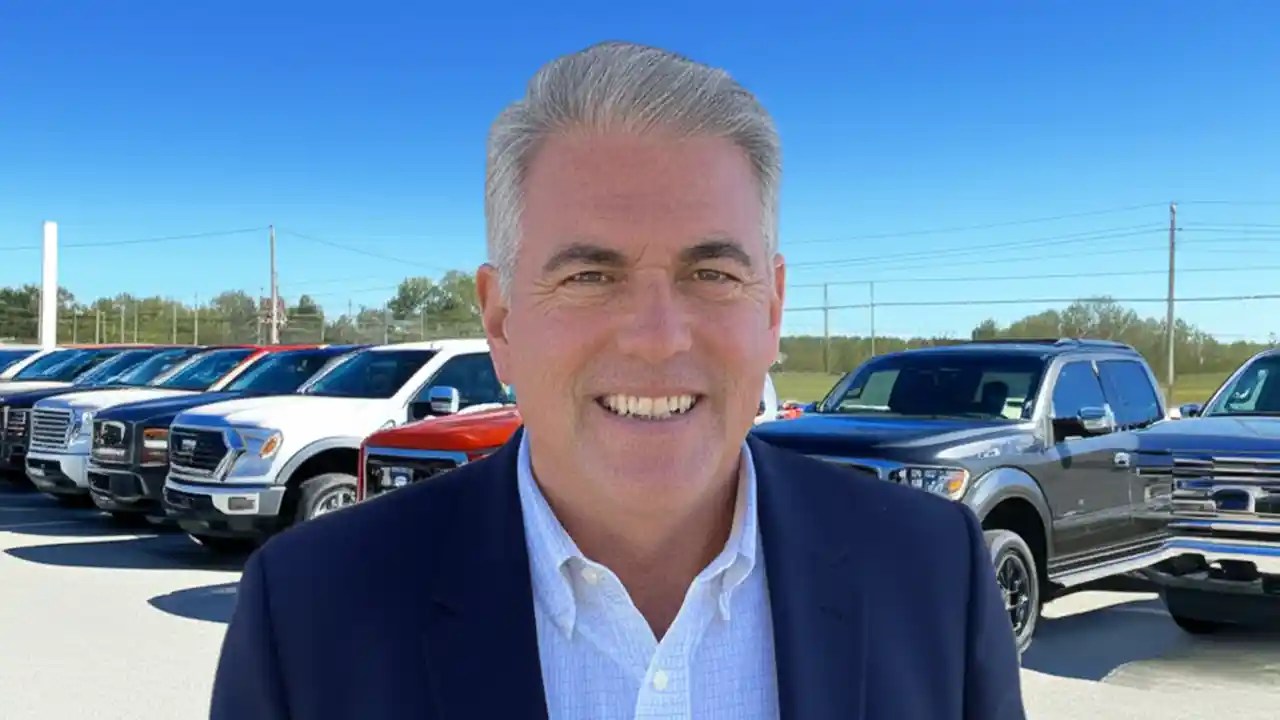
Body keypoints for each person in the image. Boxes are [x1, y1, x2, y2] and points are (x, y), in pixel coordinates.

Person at [209, 41, 1027, 720]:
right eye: (590, 277)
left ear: (773, 309)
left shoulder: (931, 576)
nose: (658, 339)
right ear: (500, 321)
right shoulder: (312, 614)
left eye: (711, 273)